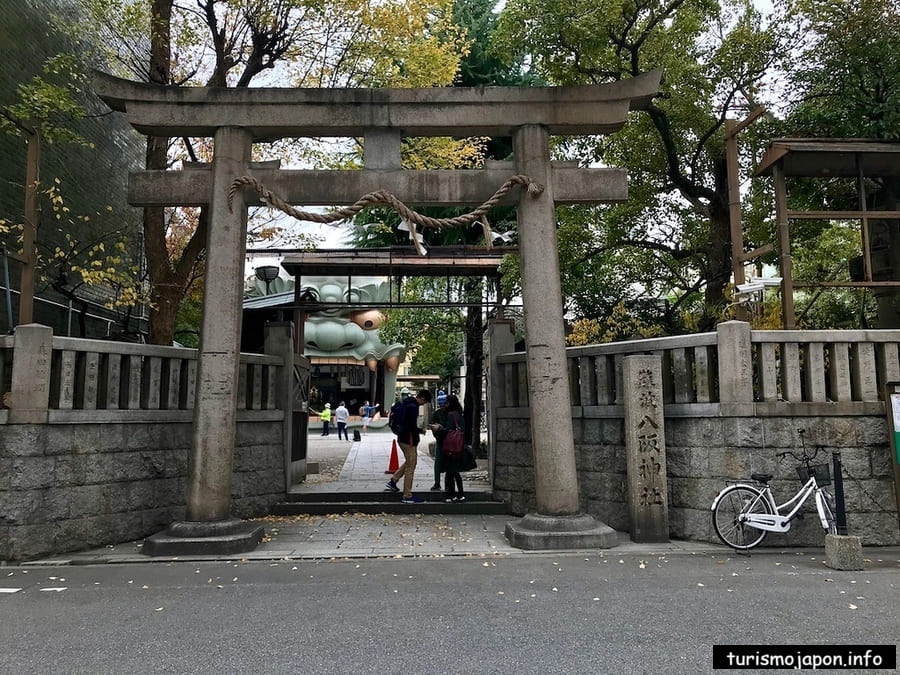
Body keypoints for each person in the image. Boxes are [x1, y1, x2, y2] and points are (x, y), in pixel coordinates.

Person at [384, 388, 433, 504]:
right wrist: (420, 430)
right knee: (411, 466)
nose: (423, 404)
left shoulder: (406, 403)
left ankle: (393, 480)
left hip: (402, 437)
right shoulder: (413, 407)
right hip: (409, 439)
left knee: (410, 461)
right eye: (424, 402)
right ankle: (407, 495)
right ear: (422, 398)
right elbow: (410, 425)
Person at [431, 393, 466, 502]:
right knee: (456, 472)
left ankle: (450, 495)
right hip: (459, 446)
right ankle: (461, 494)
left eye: (446, 402)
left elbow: (448, 431)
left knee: (450, 472)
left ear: (449, 403)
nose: (444, 405)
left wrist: (439, 428)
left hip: (450, 447)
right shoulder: (460, 415)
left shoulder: (450, 415)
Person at [429, 391, 448, 491]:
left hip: (441, 439)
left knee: (438, 462)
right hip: (447, 440)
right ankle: (444, 483)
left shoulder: (437, 413)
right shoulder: (450, 413)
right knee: (447, 462)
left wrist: (436, 434)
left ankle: (437, 483)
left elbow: (432, 426)